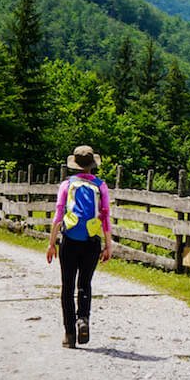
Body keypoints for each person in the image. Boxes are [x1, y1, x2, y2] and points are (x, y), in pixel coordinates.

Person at [45, 145, 114, 347]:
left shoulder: (67, 185)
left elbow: (58, 215)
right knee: (84, 284)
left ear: (75, 165)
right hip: (91, 241)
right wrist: (108, 246)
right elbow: (105, 217)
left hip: (70, 240)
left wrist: (52, 243)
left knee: (67, 287)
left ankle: (69, 335)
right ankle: (82, 319)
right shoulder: (101, 186)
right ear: (93, 165)